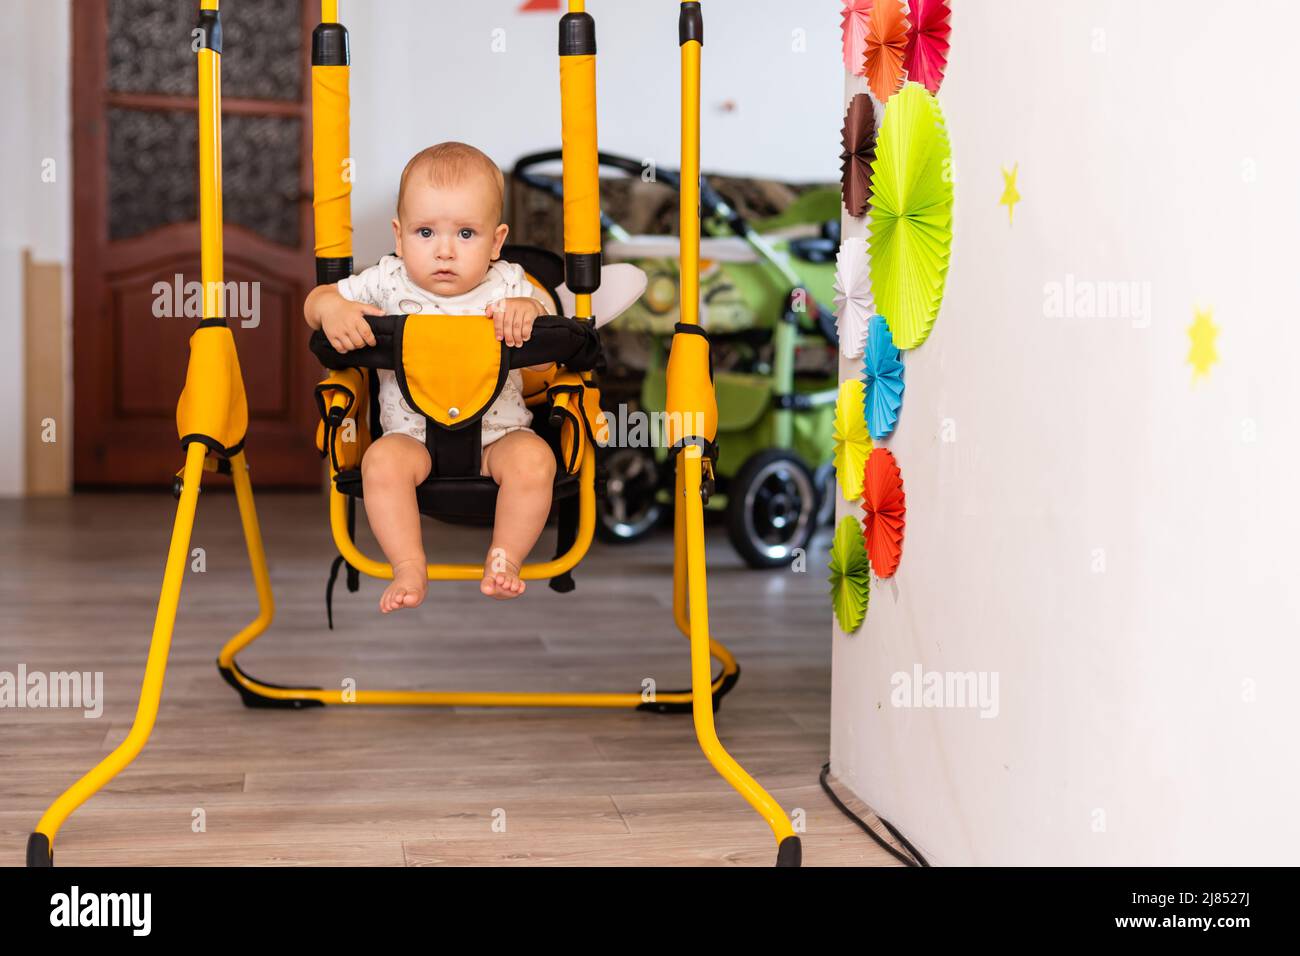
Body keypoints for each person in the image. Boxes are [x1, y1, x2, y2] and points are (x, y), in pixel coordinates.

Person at [304, 142, 556, 611]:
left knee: (536, 462)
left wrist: (532, 316)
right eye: (425, 232)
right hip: (412, 442)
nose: (444, 250)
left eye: (465, 233)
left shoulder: (510, 284)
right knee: (380, 464)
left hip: (498, 440)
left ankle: (505, 558)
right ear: (399, 237)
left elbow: (546, 364)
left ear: (496, 242)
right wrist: (331, 308)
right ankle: (408, 565)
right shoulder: (386, 280)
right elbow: (315, 301)